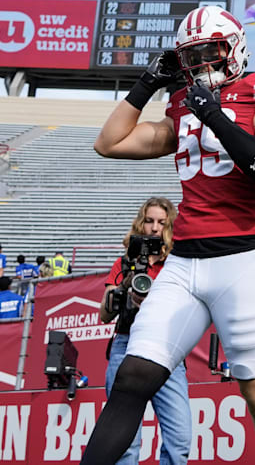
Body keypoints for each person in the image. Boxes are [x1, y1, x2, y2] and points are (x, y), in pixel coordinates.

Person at [81, 5, 255, 465]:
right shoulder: (181, 103)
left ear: (234, 46)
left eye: (210, 50)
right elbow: (110, 143)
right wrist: (146, 84)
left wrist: (216, 116)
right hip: (183, 263)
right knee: (132, 378)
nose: (201, 63)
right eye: (190, 55)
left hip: (243, 259)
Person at [98, 197, 191, 465]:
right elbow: (104, 315)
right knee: (125, 442)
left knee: (180, 439)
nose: (154, 228)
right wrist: (124, 286)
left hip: (168, 348)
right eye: (149, 221)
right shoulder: (125, 262)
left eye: (161, 222)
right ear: (140, 224)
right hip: (126, 344)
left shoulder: (179, 262)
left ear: (170, 225)